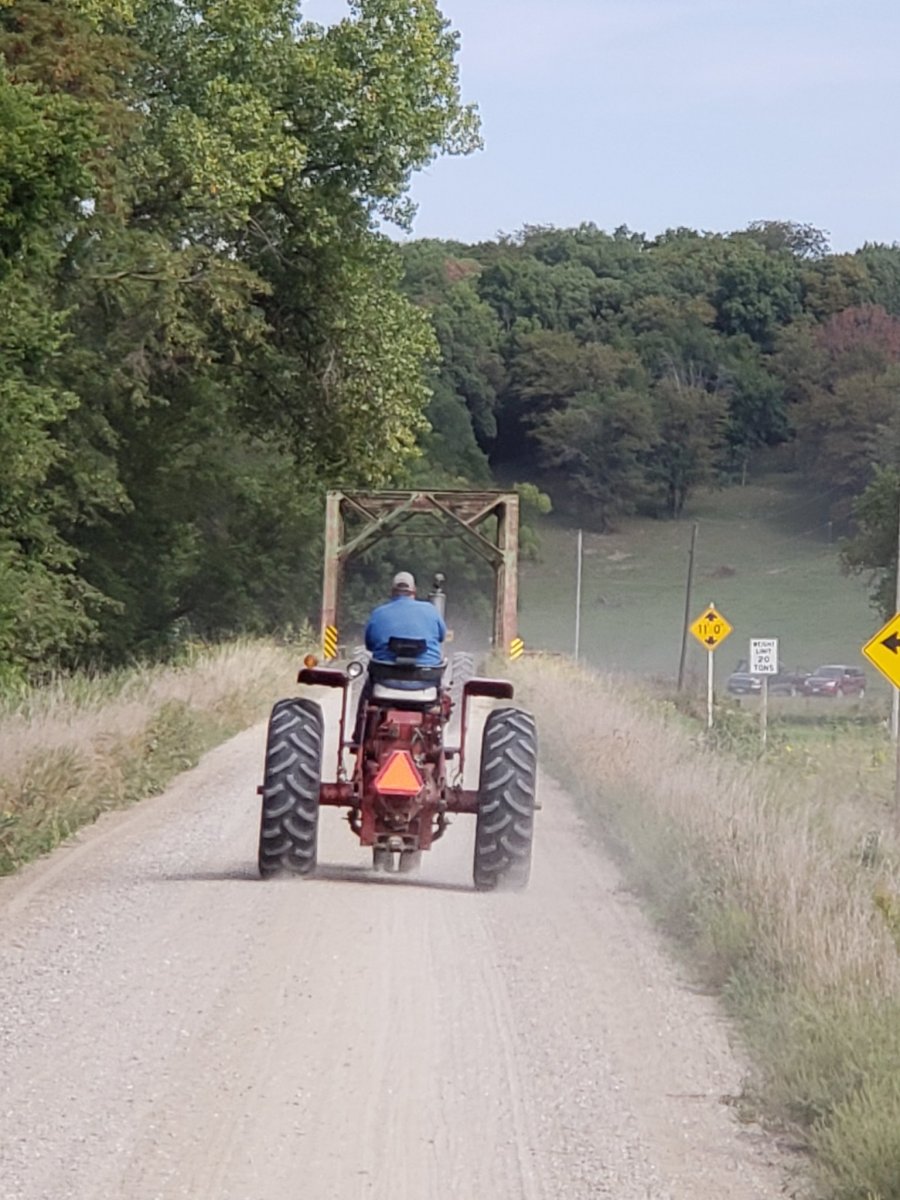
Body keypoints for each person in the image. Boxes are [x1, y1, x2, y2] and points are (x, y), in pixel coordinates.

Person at [352, 571, 447, 745]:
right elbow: (441, 637)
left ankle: (360, 736)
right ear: (414, 591)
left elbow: (370, 645)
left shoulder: (379, 613)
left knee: (367, 689)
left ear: (392, 591)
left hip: (386, 684)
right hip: (425, 686)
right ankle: (437, 738)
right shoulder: (431, 611)